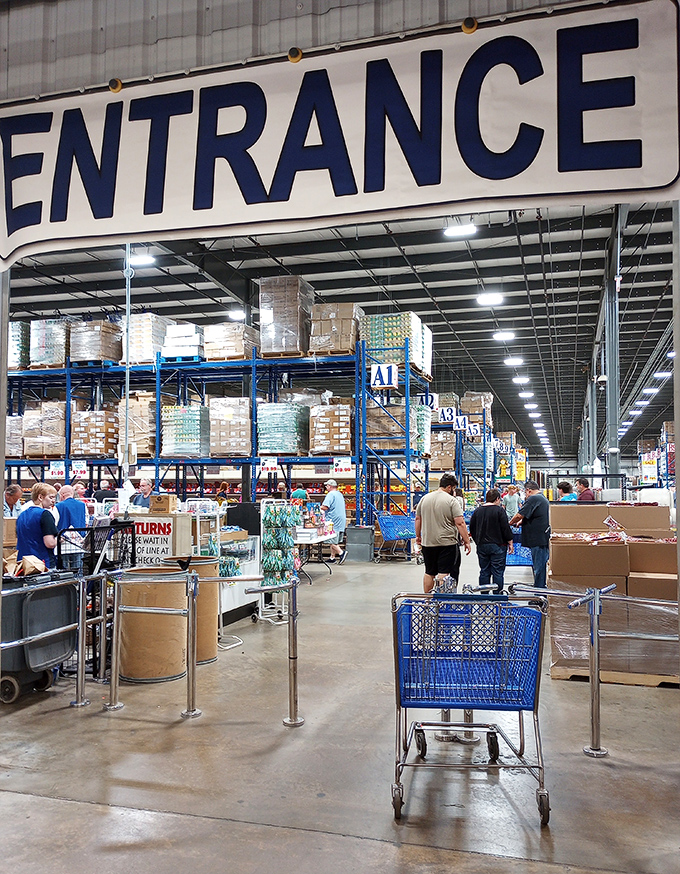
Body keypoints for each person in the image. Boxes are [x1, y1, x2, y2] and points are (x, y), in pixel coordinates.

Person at [415, 472, 471, 594]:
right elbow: (460, 523)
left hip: (428, 543)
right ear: (449, 487)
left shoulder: (424, 498)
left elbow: (418, 519)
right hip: (447, 543)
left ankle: (428, 600)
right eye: (454, 488)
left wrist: (418, 536)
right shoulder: (451, 501)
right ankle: (440, 601)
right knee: (443, 572)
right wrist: (467, 541)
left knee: (429, 572)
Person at [469, 488, 514, 594]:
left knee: (484, 571)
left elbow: (472, 528)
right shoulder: (499, 511)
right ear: (497, 499)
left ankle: (484, 595)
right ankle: (497, 596)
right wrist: (510, 542)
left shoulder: (477, 511)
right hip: (498, 545)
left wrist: (478, 540)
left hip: (482, 546)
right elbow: (505, 528)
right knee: (497, 572)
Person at [509, 480, 551, 589]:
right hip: (541, 537)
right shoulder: (542, 499)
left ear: (528, 490)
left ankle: (539, 594)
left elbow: (519, 515)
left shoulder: (534, 498)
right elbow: (533, 515)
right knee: (539, 567)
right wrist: (521, 523)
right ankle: (539, 590)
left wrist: (509, 523)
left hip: (538, 539)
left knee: (539, 568)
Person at [16, 483, 59, 568]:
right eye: (50, 497)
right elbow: (50, 543)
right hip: (41, 563)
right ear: (40, 497)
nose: (53, 501)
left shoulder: (22, 515)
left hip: (23, 563)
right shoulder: (45, 515)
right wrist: (59, 540)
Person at [55, 485, 87, 573]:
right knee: (78, 569)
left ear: (62, 495)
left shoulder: (57, 506)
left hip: (63, 543)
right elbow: (86, 522)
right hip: (78, 543)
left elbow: (55, 522)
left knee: (64, 571)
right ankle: (78, 586)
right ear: (72, 494)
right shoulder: (82, 505)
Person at [321, 479, 347, 564]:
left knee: (330, 539)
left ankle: (341, 553)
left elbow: (325, 507)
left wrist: (317, 507)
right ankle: (332, 557)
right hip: (341, 519)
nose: (326, 487)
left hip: (332, 520)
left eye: (327, 486)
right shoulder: (339, 494)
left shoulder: (330, 494)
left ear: (330, 486)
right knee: (334, 539)